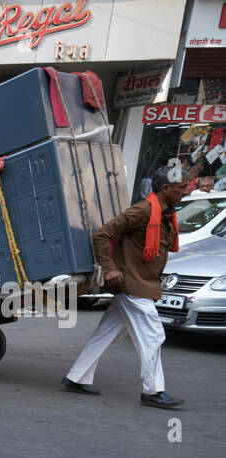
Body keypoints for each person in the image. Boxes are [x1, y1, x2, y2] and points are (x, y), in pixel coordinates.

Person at [62, 167, 189, 408]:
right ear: (165, 188)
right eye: (181, 187)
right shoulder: (143, 211)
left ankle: (75, 378)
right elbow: (102, 235)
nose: (186, 191)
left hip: (141, 283)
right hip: (133, 285)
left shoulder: (164, 213)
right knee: (153, 335)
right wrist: (109, 267)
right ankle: (153, 391)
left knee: (105, 334)